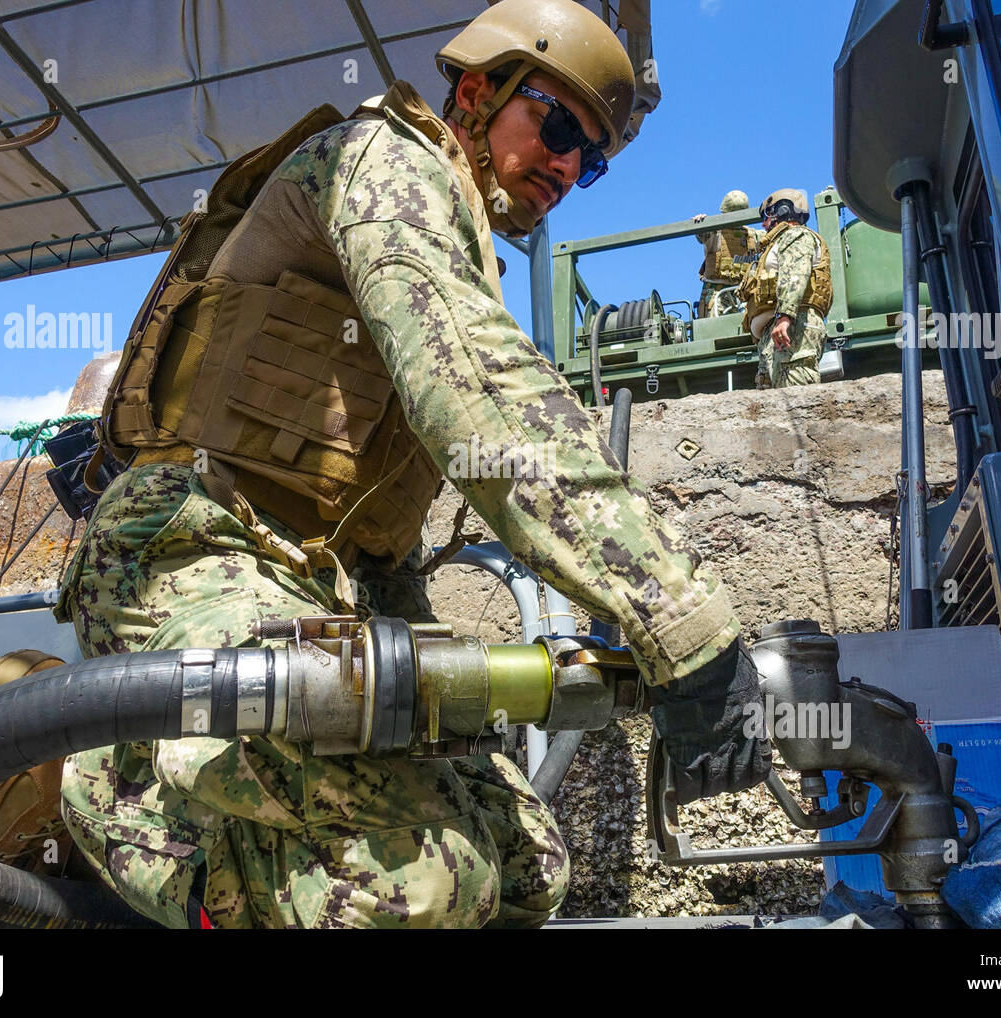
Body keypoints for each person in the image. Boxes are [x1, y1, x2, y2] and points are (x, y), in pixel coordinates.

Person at [53, 0, 770, 930]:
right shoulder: (385, 165)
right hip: (195, 544)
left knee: (525, 870)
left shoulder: (461, 238)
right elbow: (479, 388)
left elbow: (386, 524)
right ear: (477, 90)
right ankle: (116, 771)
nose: (567, 165)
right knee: (416, 889)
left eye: (590, 160)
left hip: (332, 586)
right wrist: (682, 620)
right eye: (555, 125)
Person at [737, 188, 834, 387]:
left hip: (792, 328)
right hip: (774, 335)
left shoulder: (796, 235)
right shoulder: (775, 245)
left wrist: (785, 317)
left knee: (796, 400)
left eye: (767, 216)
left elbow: (796, 274)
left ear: (783, 210)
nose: (764, 224)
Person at [691, 190, 762, 319]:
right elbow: (702, 235)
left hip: (743, 295)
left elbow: (774, 238)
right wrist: (700, 223)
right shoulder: (715, 232)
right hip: (717, 295)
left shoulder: (752, 235)